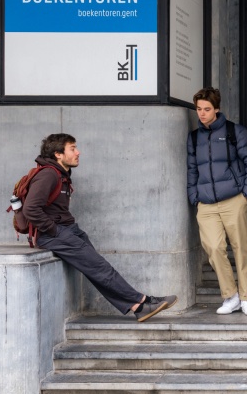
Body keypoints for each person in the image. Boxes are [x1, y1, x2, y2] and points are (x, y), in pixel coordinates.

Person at [24, 133, 177, 322]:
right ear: (58, 154)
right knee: (100, 267)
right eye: (72, 148)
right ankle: (142, 301)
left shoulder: (60, 173)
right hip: (53, 233)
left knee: (96, 269)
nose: (78, 152)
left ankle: (138, 307)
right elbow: (30, 209)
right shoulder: (48, 174)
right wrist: (54, 230)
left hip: (68, 229)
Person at [187, 87, 247, 316]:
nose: (202, 113)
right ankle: (231, 296)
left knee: (241, 248)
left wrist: (246, 196)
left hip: (234, 200)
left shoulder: (235, 132)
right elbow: (191, 170)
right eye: (199, 109)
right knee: (213, 248)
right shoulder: (193, 137)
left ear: (217, 109)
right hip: (206, 204)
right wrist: (194, 196)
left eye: (207, 109)